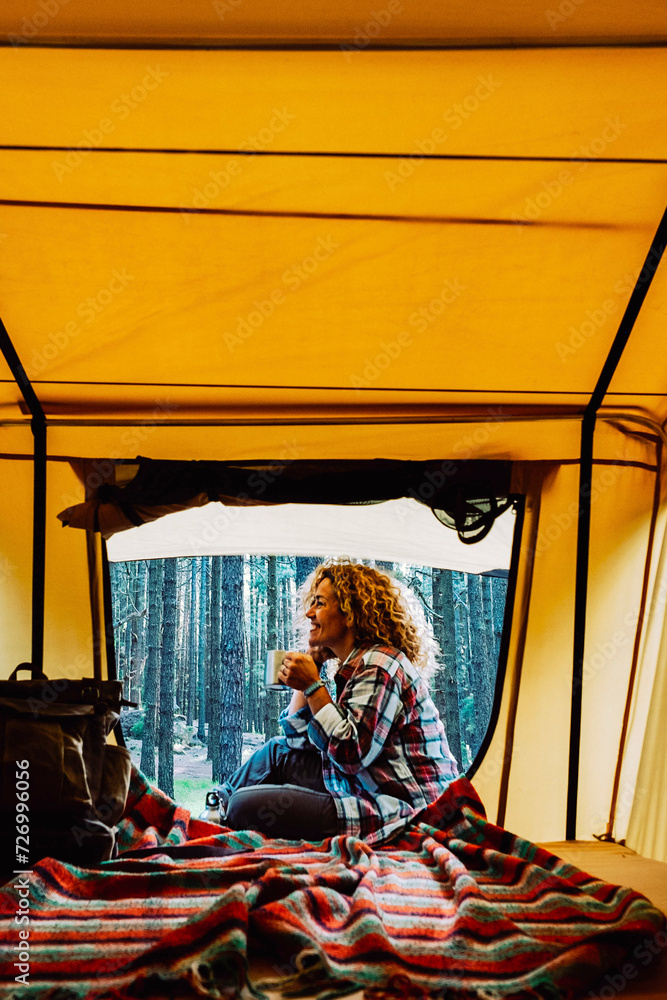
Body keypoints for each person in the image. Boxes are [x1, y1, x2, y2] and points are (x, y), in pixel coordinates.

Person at [217, 562, 459, 845]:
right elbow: (295, 738)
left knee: (244, 806)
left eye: (319, 603)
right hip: (364, 786)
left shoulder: (381, 665)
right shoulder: (358, 666)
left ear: (351, 612)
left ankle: (225, 809)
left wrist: (312, 685)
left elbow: (350, 752)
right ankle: (214, 806)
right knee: (276, 752)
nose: (309, 613)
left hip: (403, 809)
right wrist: (314, 664)